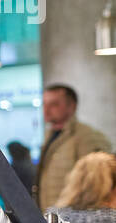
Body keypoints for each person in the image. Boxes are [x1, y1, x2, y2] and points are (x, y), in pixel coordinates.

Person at [36, 83, 111, 211]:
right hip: (51, 213)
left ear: (71, 106)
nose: (46, 110)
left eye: (54, 104)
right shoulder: (49, 135)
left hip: (74, 215)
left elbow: (95, 183)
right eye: (44, 104)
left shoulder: (86, 136)